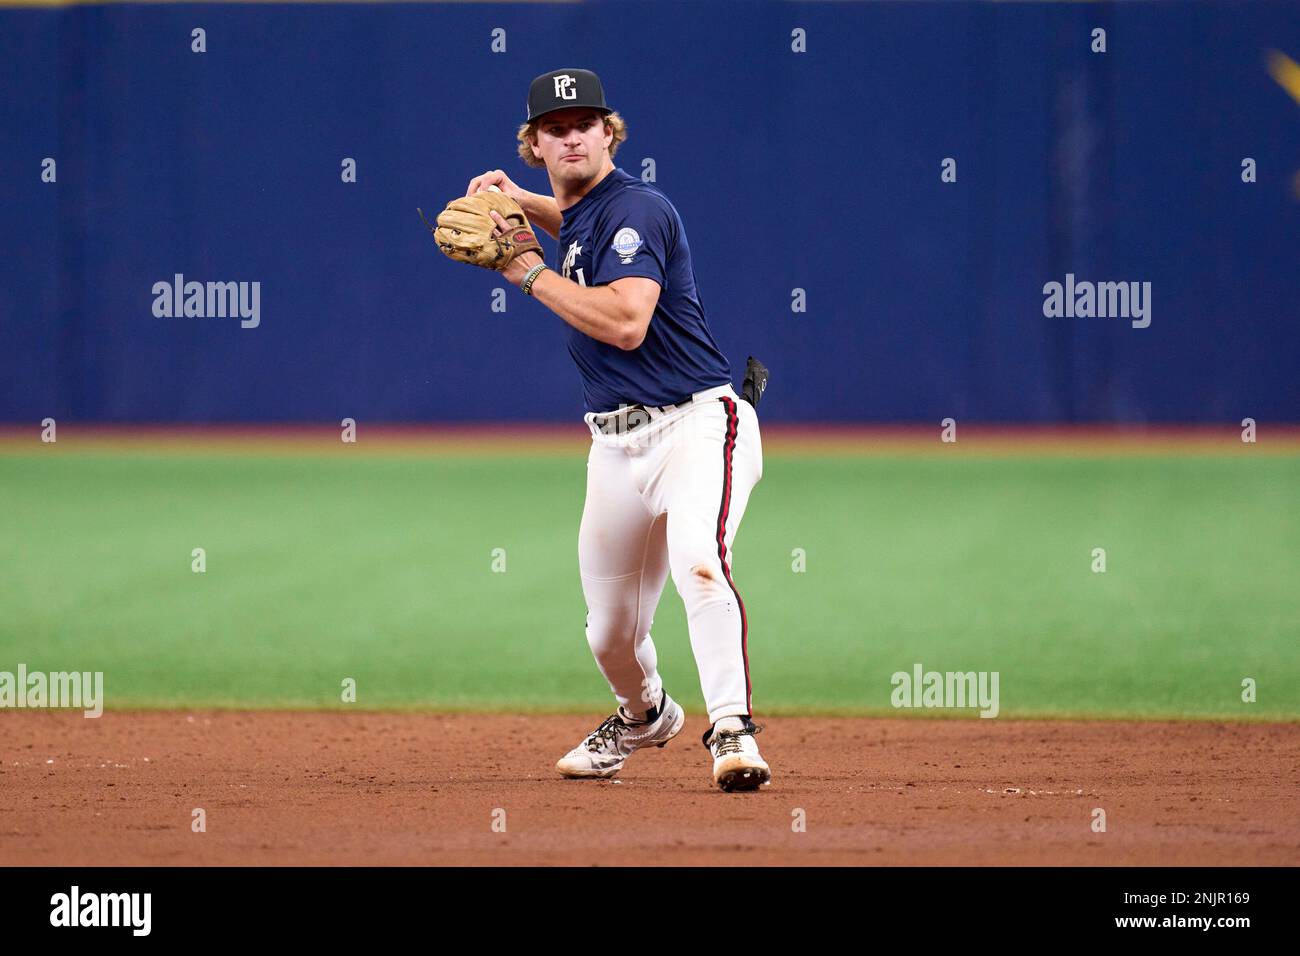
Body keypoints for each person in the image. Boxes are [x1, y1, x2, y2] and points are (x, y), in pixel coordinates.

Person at [465, 68, 769, 792]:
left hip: (697, 424)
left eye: (585, 124)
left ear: (610, 133)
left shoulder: (638, 207)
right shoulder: (590, 213)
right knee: (610, 634)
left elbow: (628, 324)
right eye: (555, 128)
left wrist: (525, 271)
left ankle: (732, 728)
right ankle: (645, 714)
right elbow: (577, 226)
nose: (572, 135)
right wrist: (520, 202)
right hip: (615, 445)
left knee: (700, 560)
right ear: (534, 143)